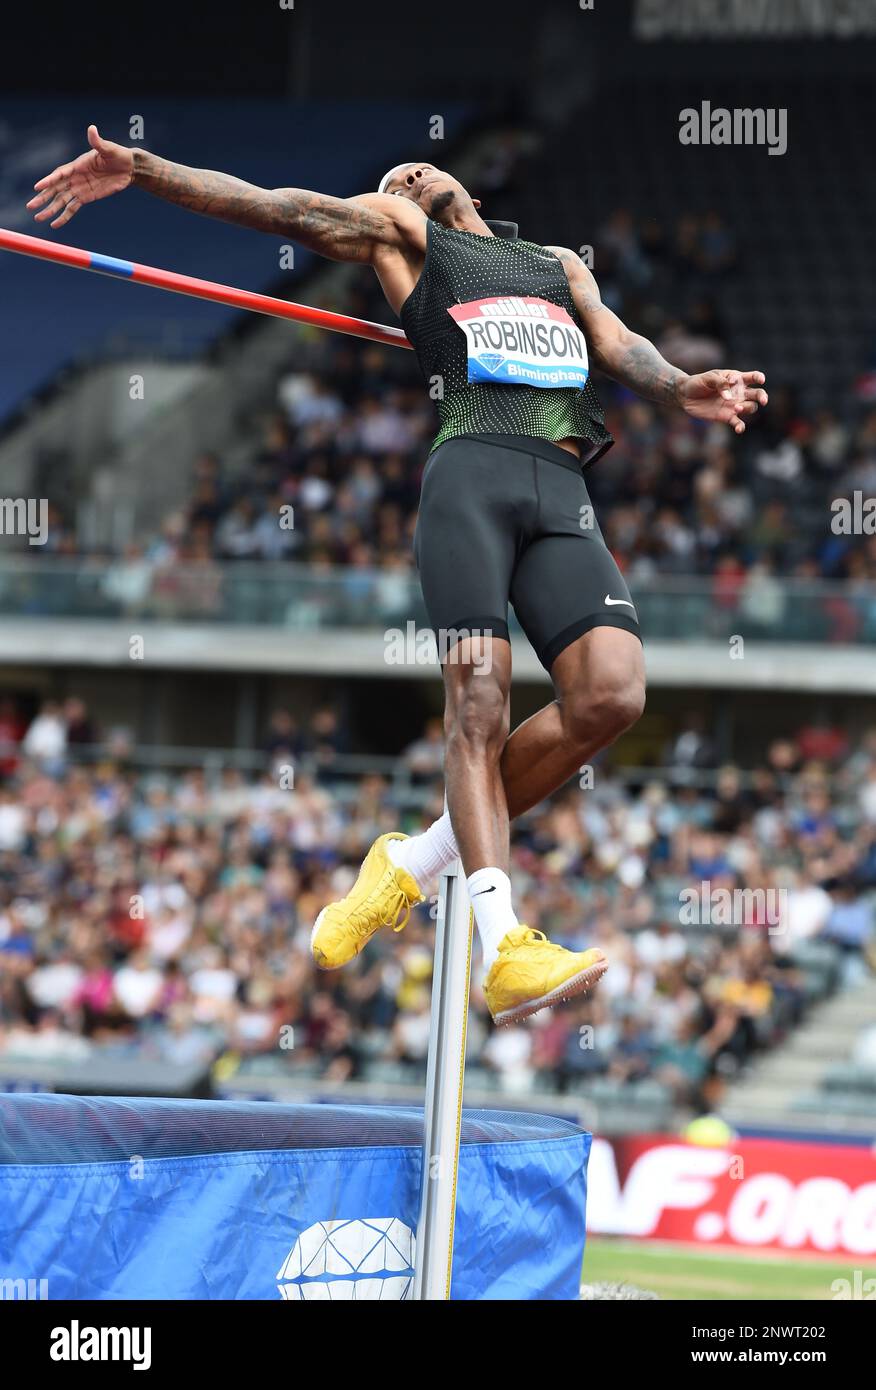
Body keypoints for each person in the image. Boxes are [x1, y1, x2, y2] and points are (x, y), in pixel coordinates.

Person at [29, 131, 767, 1025]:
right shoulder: (404, 234)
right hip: (472, 485)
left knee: (611, 696)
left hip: (562, 494)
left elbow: (619, 343)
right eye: (396, 178)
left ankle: (409, 866)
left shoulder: (556, 264)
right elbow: (276, 203)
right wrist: (146, 170)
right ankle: (504, 946)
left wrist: (683, 385)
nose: (409, 175)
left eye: (416, 169)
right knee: (479, 703)